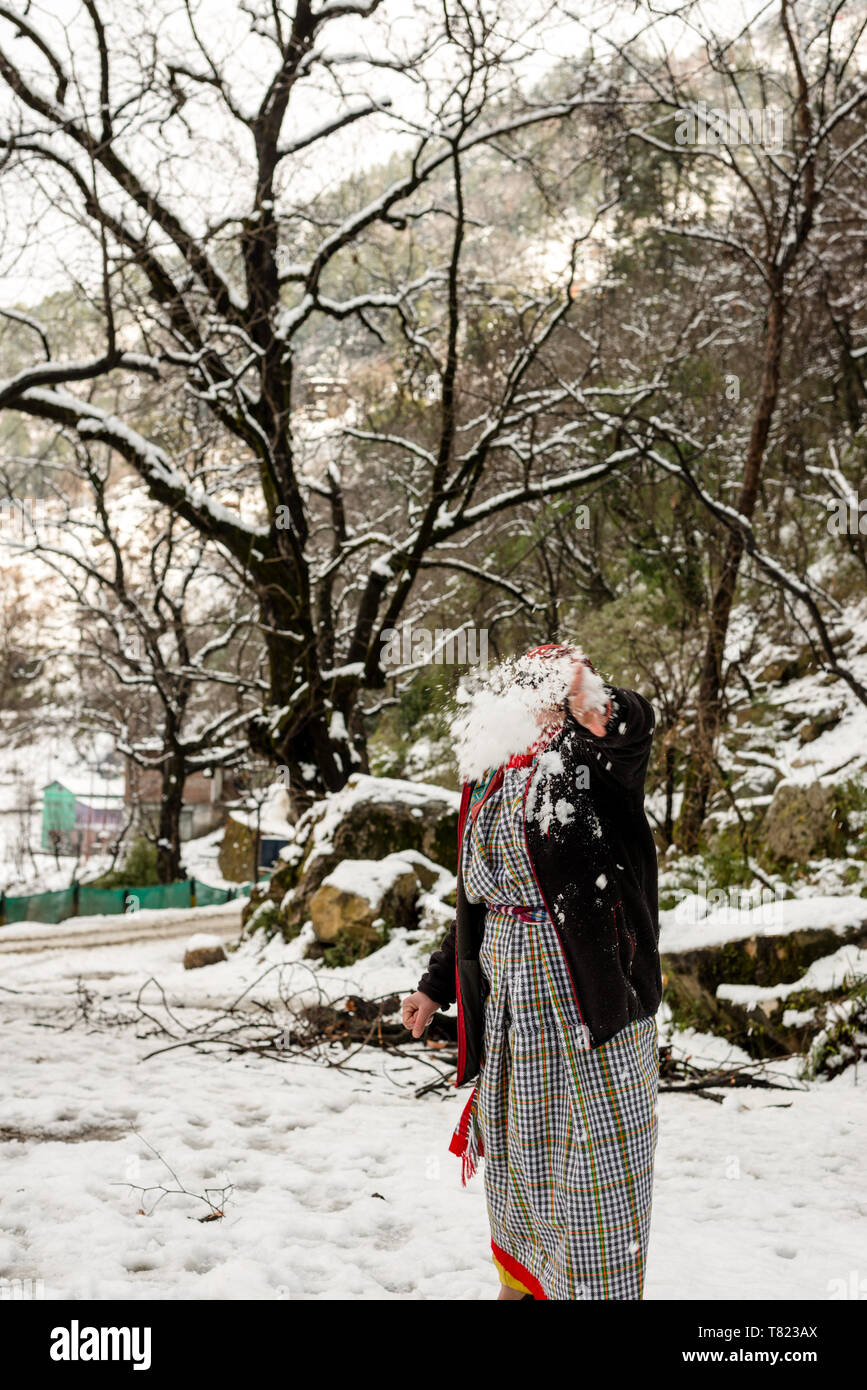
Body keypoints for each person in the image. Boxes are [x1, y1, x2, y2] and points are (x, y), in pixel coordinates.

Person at [402, 644, 662, 1300]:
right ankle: (520, 1290)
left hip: (586, 1008)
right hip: (515, 1019)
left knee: (594, 1179)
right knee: (522, 1175)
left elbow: (632, 729)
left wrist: (598, 704)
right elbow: (475, 899)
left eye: (557, 689)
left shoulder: (590, 762)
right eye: (533, 687)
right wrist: (436, 985)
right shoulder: (489, 774)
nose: (541, 700)